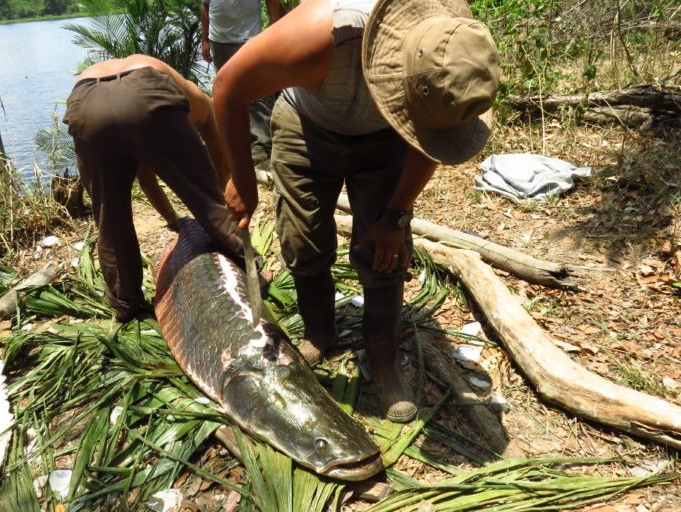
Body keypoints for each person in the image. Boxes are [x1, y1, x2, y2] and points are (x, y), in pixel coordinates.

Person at [212, 0, 500, 422]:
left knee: (386, 252)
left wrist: (395, 218)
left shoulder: (453, 55)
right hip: (306, 123)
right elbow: (227, 86)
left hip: (384, 141)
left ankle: (382, 360)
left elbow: (430, 142)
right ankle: (319, 331)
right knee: (300, 235)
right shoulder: (326, 33)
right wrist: (243, 178)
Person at [63, 54, 246, 323]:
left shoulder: (137, 78)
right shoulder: (200, 104)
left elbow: (145, 175)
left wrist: (172, 218)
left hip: (86, 103)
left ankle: (126, 303)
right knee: (207, 201)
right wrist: (219, 194)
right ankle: (248, 268)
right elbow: (217, 162)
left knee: (110, 217)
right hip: (142, 90)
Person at [201, 0, 283, 168]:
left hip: (248, 39)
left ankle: (261, 148)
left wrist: (274, 32)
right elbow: (205, 6)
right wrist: (205, 40)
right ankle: (234, 145)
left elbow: (272, 2)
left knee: (256, 94)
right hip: (218, 40)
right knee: (227, 93)